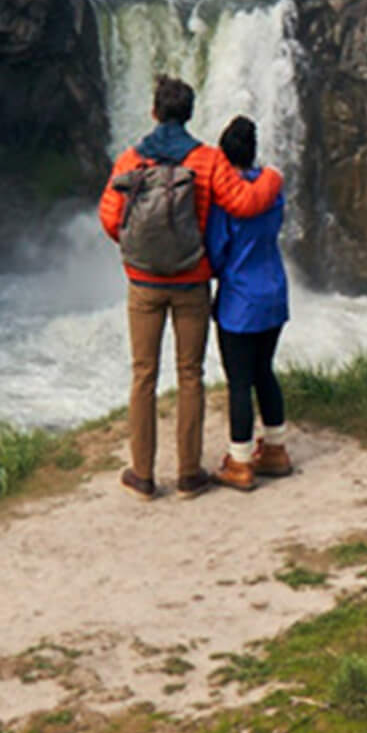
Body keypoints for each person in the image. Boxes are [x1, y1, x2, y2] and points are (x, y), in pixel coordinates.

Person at [99, 75, 283, 501]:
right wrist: (273, 177)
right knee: (190, 375)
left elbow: (110, 217)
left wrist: (137, 252)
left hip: (143, 284)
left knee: (143, 375)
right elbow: (245, 202)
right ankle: (188, 474)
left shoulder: (130, 160)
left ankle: (142, 476)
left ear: (153, 112)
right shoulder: (209, 160)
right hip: (192, 283)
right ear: (190, 113)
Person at [206, 114, 292, 492]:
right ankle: (275, 450)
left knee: (239, 381)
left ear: (224, 158)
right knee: (264, 372)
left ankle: (239, 463)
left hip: (240, 302)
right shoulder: (274, 194)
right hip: (273, 293)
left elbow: (217, 252)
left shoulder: (225, 203)